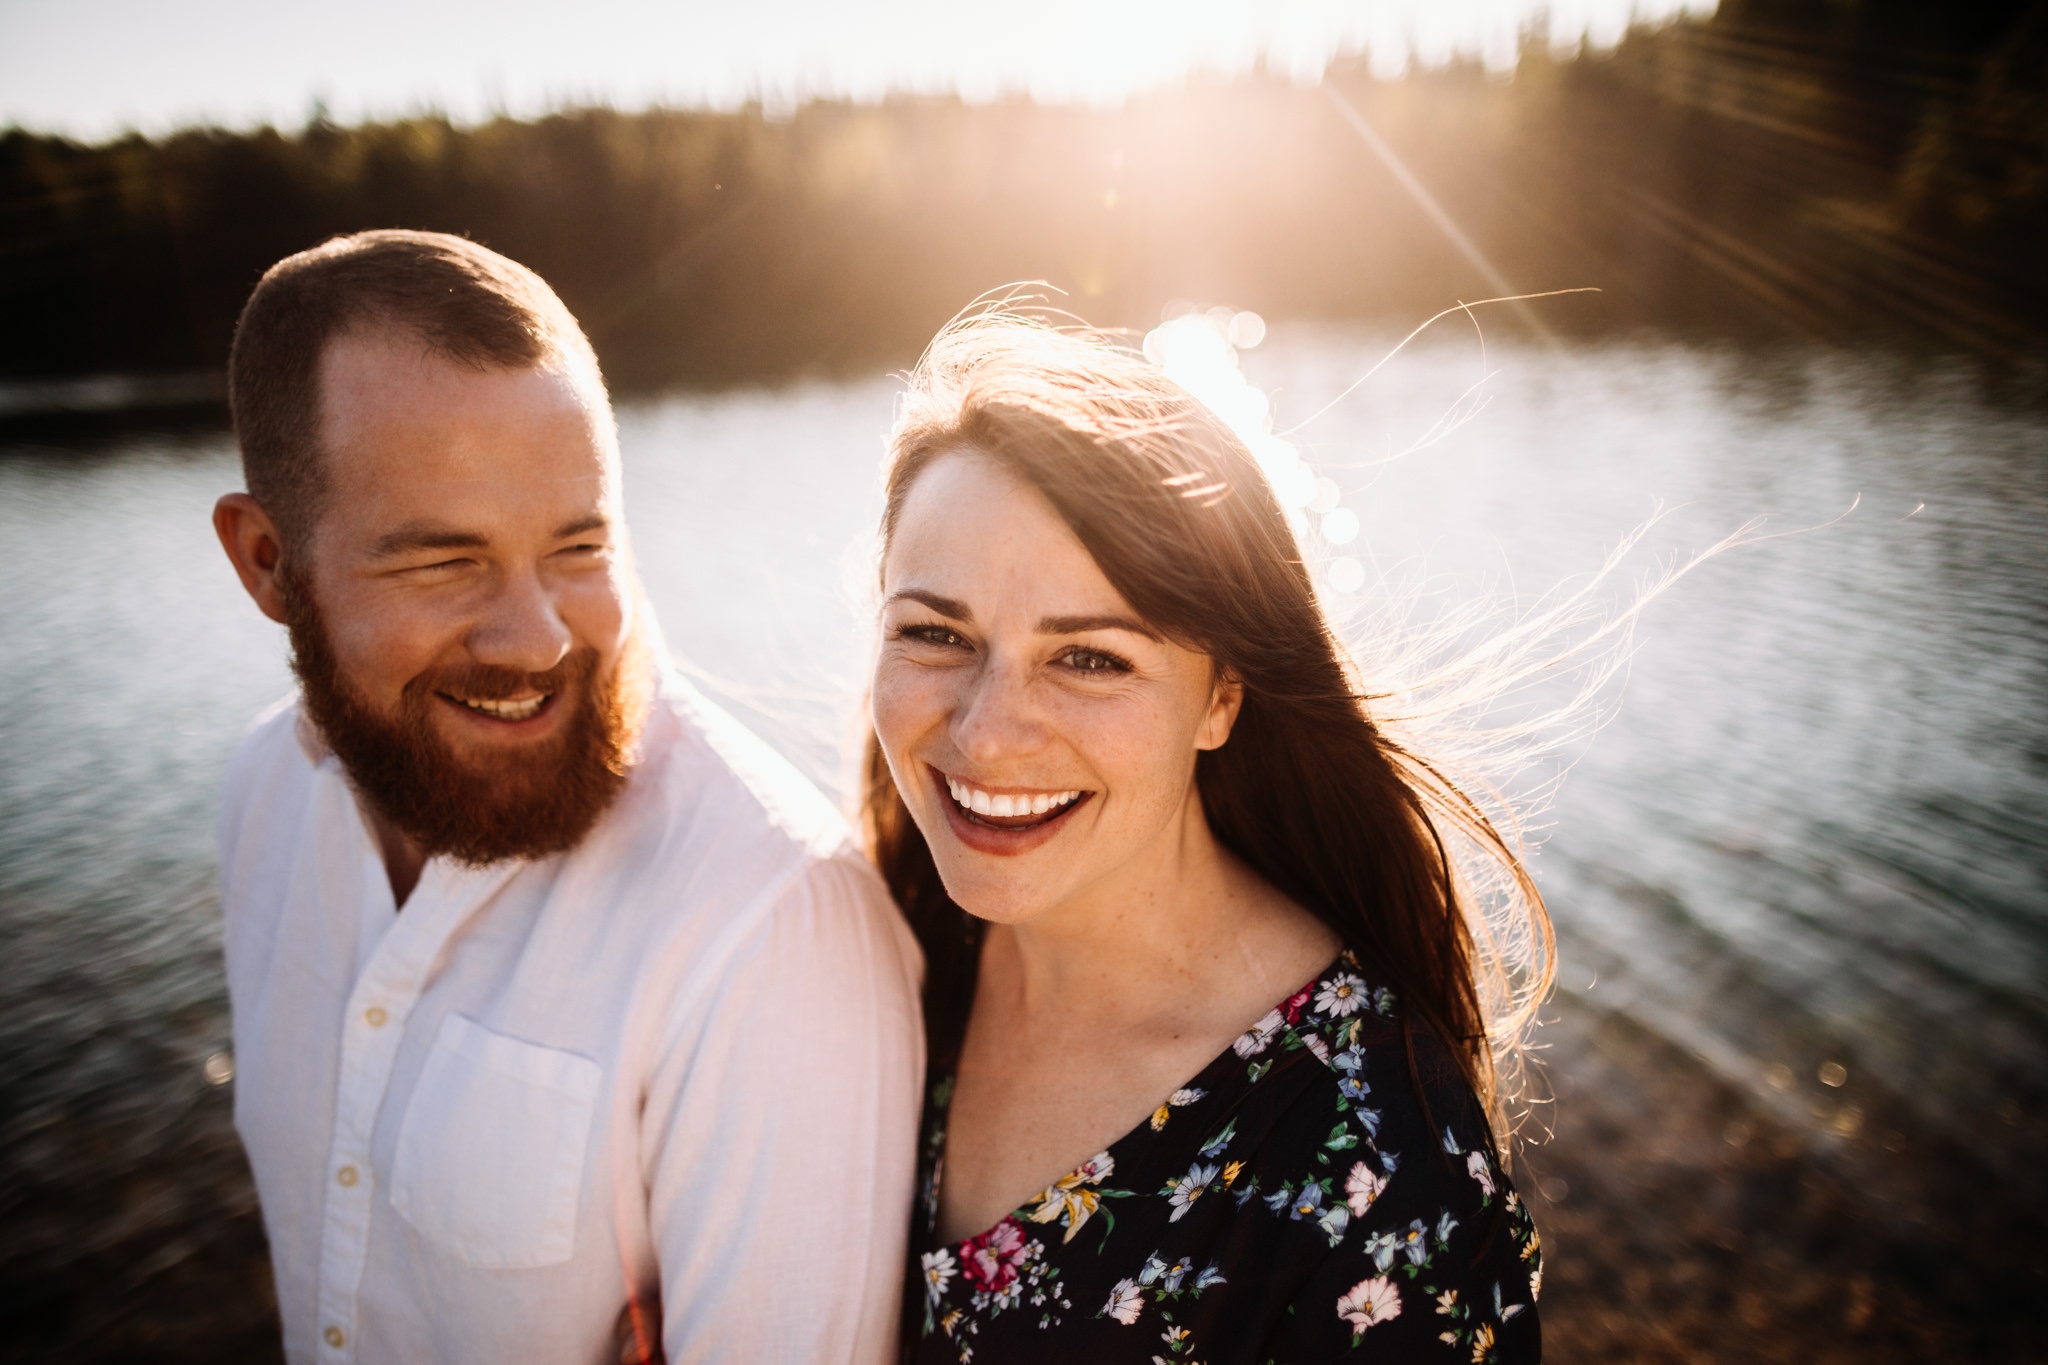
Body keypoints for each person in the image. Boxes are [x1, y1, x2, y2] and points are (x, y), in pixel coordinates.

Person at [210, 229, 922, 1365]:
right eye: (444, 563)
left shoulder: (769, 924)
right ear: (265, 564)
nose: (537, 637)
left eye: (578, 546)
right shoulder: (262, 796)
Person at [862, 313, 1549, 1362]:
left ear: (1221, 696)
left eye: (1088, 658)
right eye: (935, 634)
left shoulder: (1372, 1163)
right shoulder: (887, 937)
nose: (986, 733)